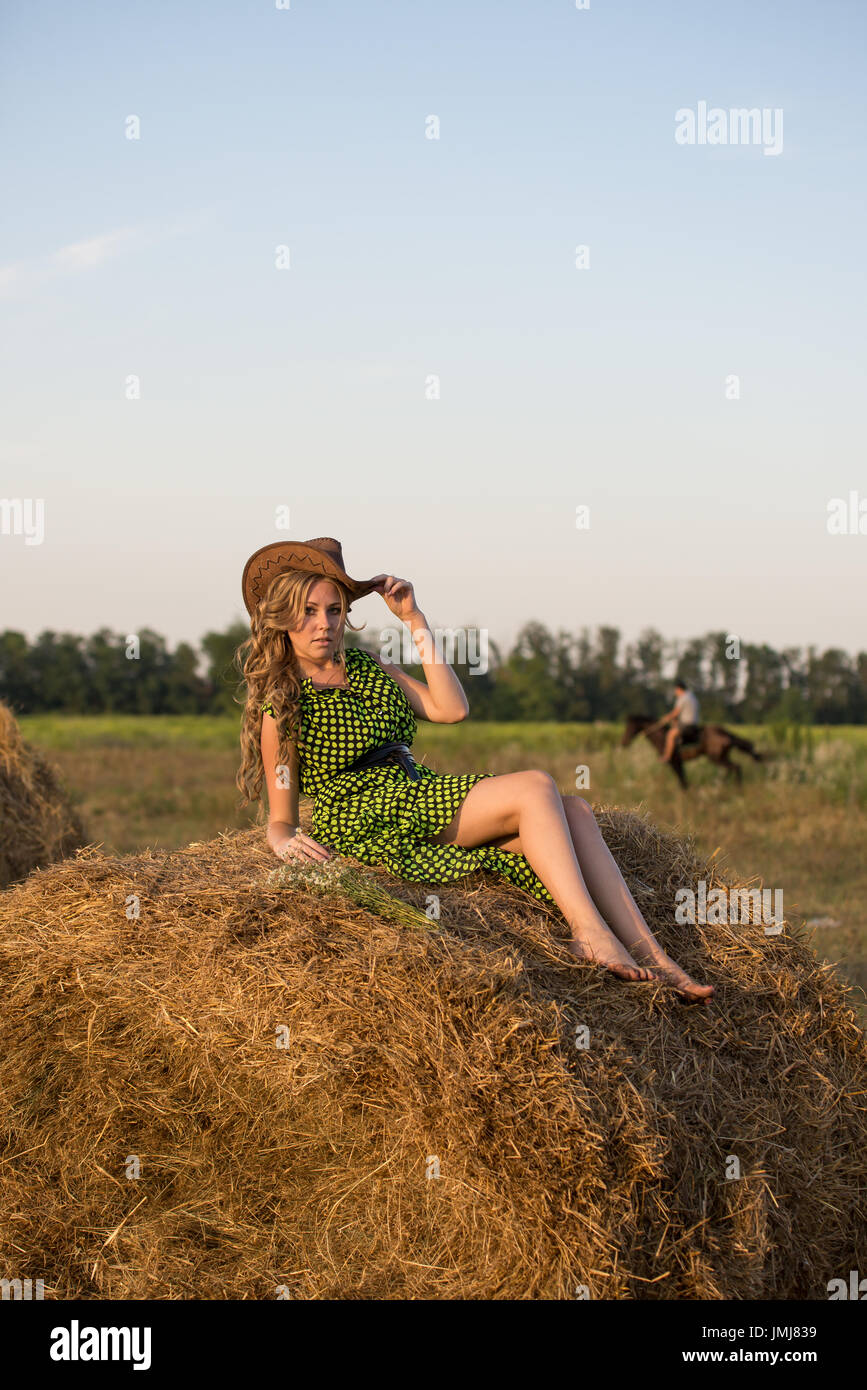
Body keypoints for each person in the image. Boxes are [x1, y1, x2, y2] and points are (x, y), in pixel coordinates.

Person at [235, 538, 713, 1002]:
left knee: (577, 811)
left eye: (334, 609)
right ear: (283, 619)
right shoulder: (284, 705)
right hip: (370, 817)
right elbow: (282, 815)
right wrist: (280, 839)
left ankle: (659, 958)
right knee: (534, 787)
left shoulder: (366, 666)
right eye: (310, 611)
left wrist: (414, 621)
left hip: (415, 794)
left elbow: (450, 708)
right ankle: (588, 931)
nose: (325, 624)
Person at [657, 680, 701, 764]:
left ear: (679, 689)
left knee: (670, 734)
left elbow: (676, 712)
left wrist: (666, 718)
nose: (675, 692)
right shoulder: (692, 696)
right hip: (694, 724)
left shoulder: (683, 698)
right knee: (675, 724)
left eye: (675, 690)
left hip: (687, 724)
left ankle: (667, 757)